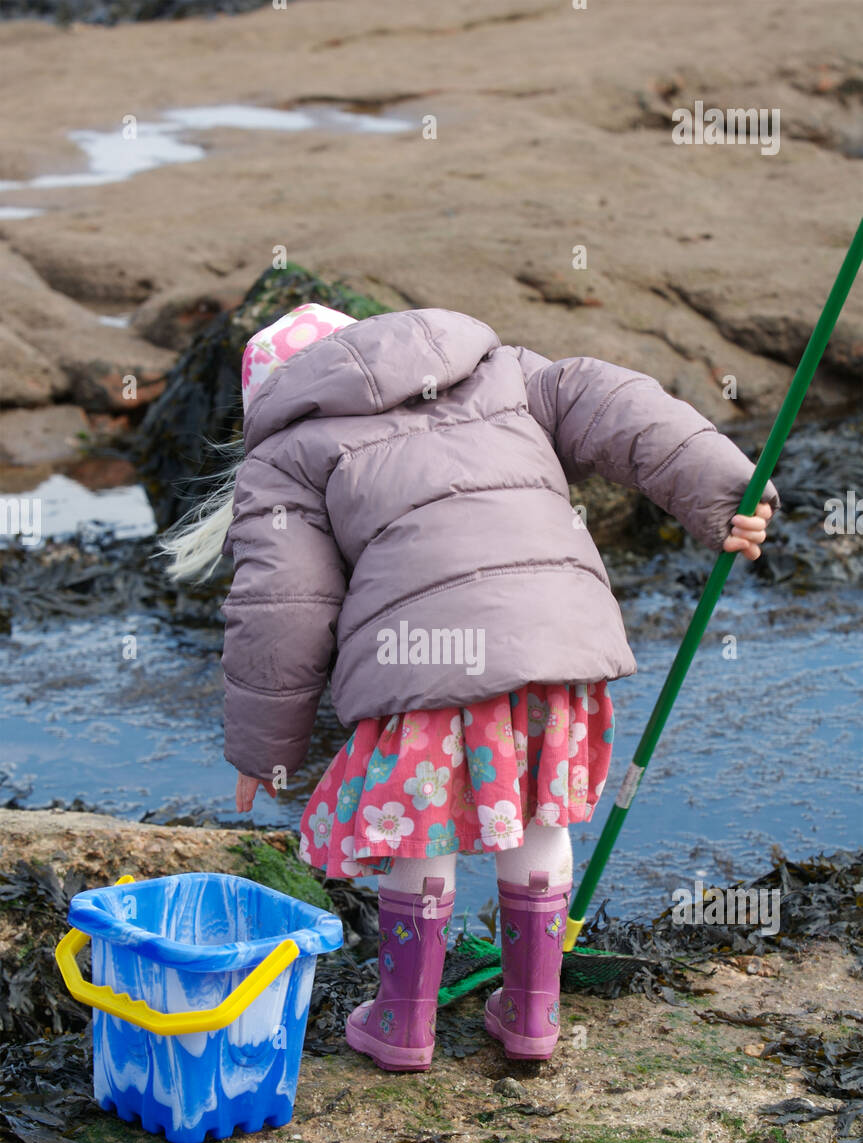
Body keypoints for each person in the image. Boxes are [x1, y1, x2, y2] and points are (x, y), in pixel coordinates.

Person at [163, 301, 777, 1072]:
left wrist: (263, 749)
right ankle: (530, 1016)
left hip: (422, 664)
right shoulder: (502, 370)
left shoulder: (286, 455)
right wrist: (725, 491)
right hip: (556, 636)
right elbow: (617, 404)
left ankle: (403, 1023)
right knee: (539, 820)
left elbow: (282, 609)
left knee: (425, 833)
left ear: (274, 396)